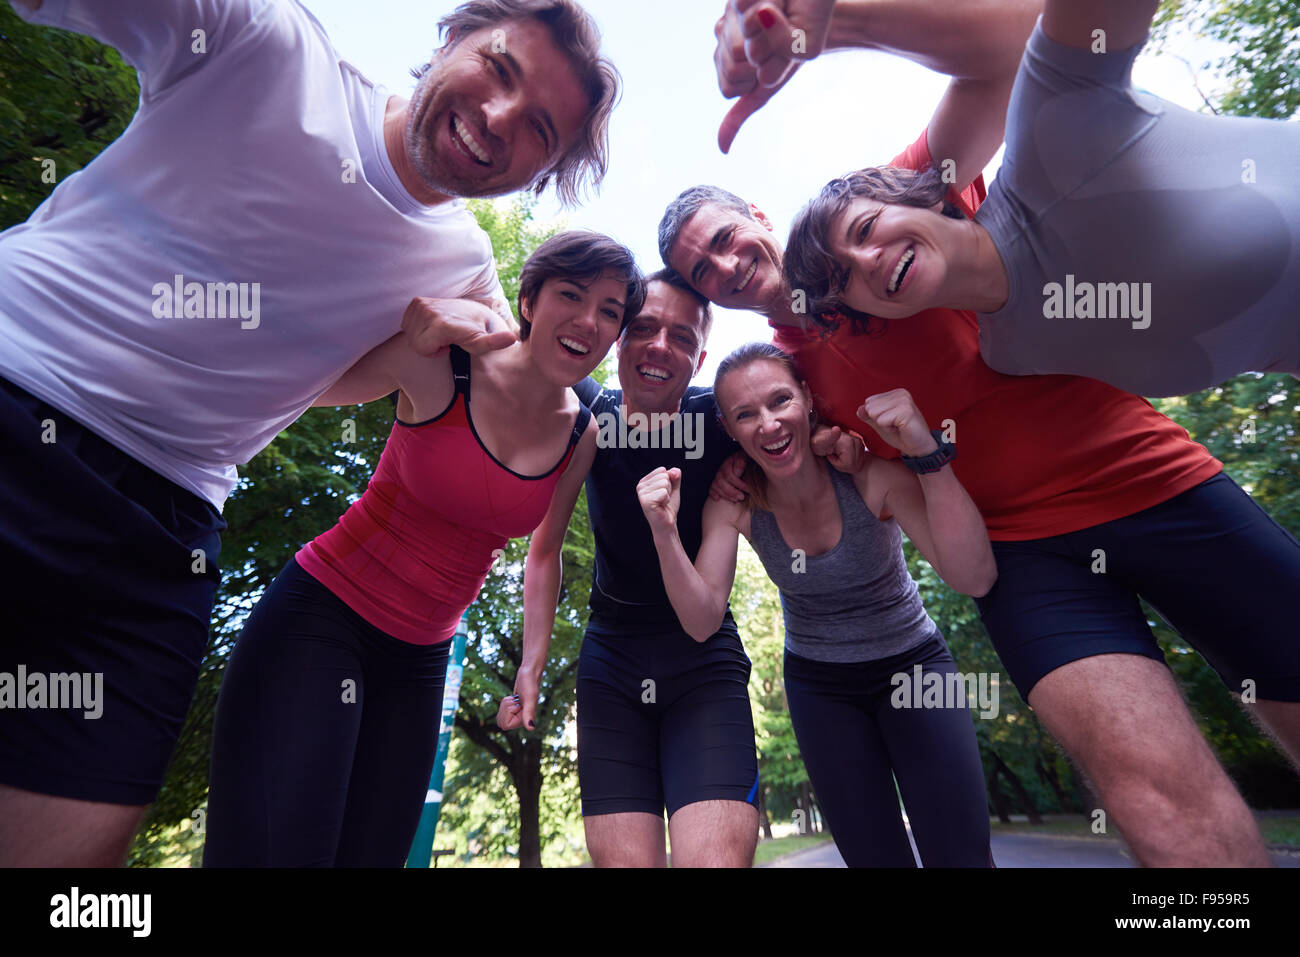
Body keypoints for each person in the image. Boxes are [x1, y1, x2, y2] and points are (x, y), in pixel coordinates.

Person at [664, 0, 1300, 867]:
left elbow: (1012, 53)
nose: (730, 266)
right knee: (1155, 805)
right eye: (706, 272)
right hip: (1028, 561)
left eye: (729, 240)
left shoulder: (883, 217)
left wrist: (830, 22)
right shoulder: (787, 390)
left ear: (756, 216)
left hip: (1157, 484)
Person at [0, 0, 619, 866]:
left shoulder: (462, 272)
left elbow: (333, 382)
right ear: (455, 34)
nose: (499, 118)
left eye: (541, 132)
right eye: (502, 68)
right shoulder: (264, 43)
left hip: (164, 527)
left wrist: (416, 342)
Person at [202, 231, 644, 866]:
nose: (588, 321)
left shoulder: (582, 431)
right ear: (527, 300)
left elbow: (543, 553)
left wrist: (531, 666)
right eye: (571, 295)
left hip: (418, 665)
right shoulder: (446, 361)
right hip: (321, 621)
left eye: (610, 310)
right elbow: (301, 383)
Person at [782, 0, 1300, 397]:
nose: (867, 260)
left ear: (922, 195)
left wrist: (841, 20)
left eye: (865, 229)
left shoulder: (1049, 141)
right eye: (843, 278)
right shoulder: (1011, 353)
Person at [638, 342, 996, 867]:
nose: (768, 424)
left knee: (961, 855)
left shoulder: (868, 474)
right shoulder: (734, 502)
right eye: (745, 414)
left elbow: (974, 577)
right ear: (729, 428)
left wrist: (924, 449)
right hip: (821, 686)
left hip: (913, 665)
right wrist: (664, 533)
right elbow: (701, 620)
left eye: (780, 400)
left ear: (807, 398)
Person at [501, 270, 771, 867]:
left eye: (681, 337)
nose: (658, 347)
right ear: (619, 340)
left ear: (700, 357)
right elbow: (542, 550)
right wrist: (531, 666)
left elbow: (802, 422)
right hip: (612, 662)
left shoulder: (724, 421)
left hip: (703, 661)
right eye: (644, 328)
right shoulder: (585, 414)